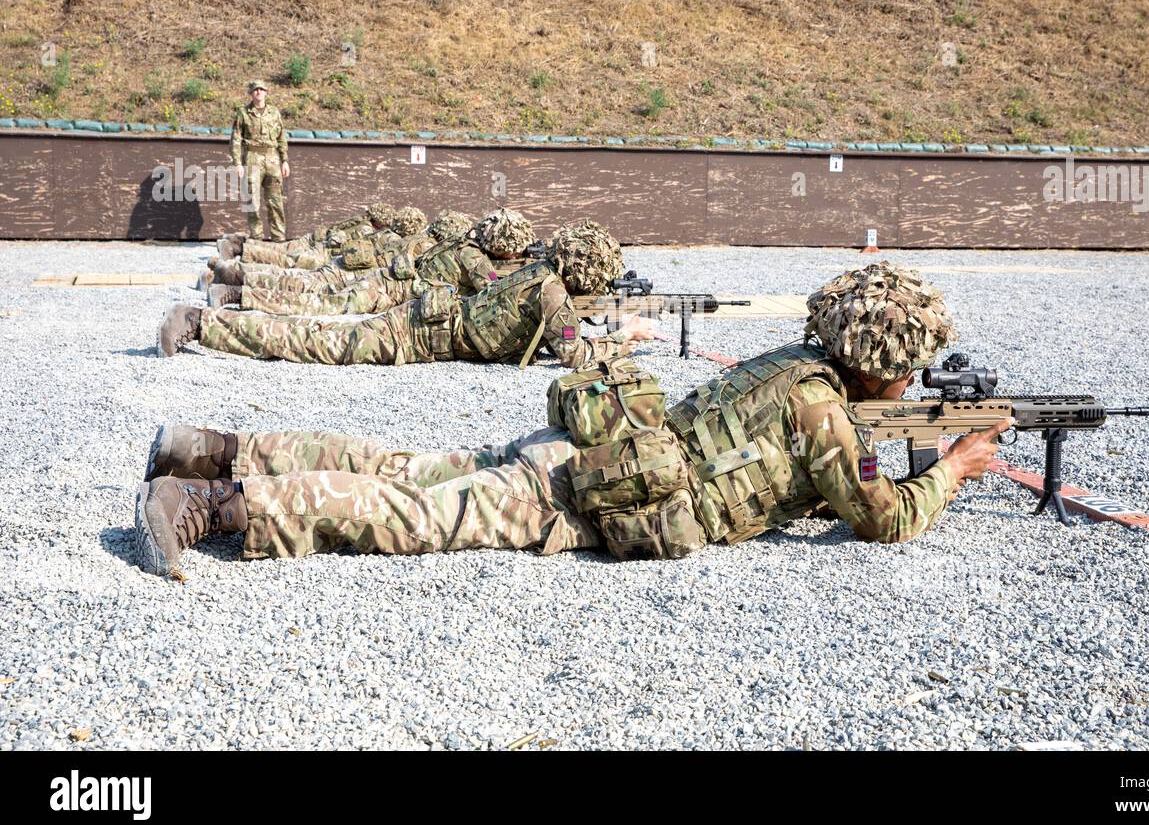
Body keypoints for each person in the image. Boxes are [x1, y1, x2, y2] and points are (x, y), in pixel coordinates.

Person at [134, 262, 1008, 576]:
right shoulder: (829, 417)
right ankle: (207, 505)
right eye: (909, 371)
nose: (911, 383)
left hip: (579, 448)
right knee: (414, 513)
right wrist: (954, 469)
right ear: (878, 364)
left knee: (407, 465)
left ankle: (210, 447)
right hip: (583, 496)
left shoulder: (790, 369)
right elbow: (882, 521)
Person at [156, 220, 657, 366]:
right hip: (422, 334)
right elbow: (576, 354)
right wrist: (627, 335)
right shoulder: (551, 295)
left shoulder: (542, 277)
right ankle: (200, 323)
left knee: (316, 317)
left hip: (428, 316)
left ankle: (214, 309)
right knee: (314, 340)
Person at [208, 208, 534, 315]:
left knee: (305, 284)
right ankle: (237, 288)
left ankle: (237, 276)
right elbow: (495, 293)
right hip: (384, 290)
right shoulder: (473, 259)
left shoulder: (447, 245)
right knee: (314, 304)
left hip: (378, 277)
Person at [214, 202, 400, 272]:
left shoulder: (359, 220)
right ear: (380, 221)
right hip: (322, 254)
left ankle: (237, 243)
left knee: (279, 251)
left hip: (317, 243)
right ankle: (236, 250)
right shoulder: (366, 230)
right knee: (283, 261)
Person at [229, 81, 289, 242]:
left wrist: (285, 160)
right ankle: (256, 237)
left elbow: (281, 137)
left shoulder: (274, 112)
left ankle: (279, 237)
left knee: (275, 201)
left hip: (272, 159)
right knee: (252, 201)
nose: (259, 92)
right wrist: (237, 163)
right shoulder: (243, 113)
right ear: (251, 93)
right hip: (252, 158)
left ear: (266, 92)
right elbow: (235, 139)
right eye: (255, 90)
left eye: (261, 89)